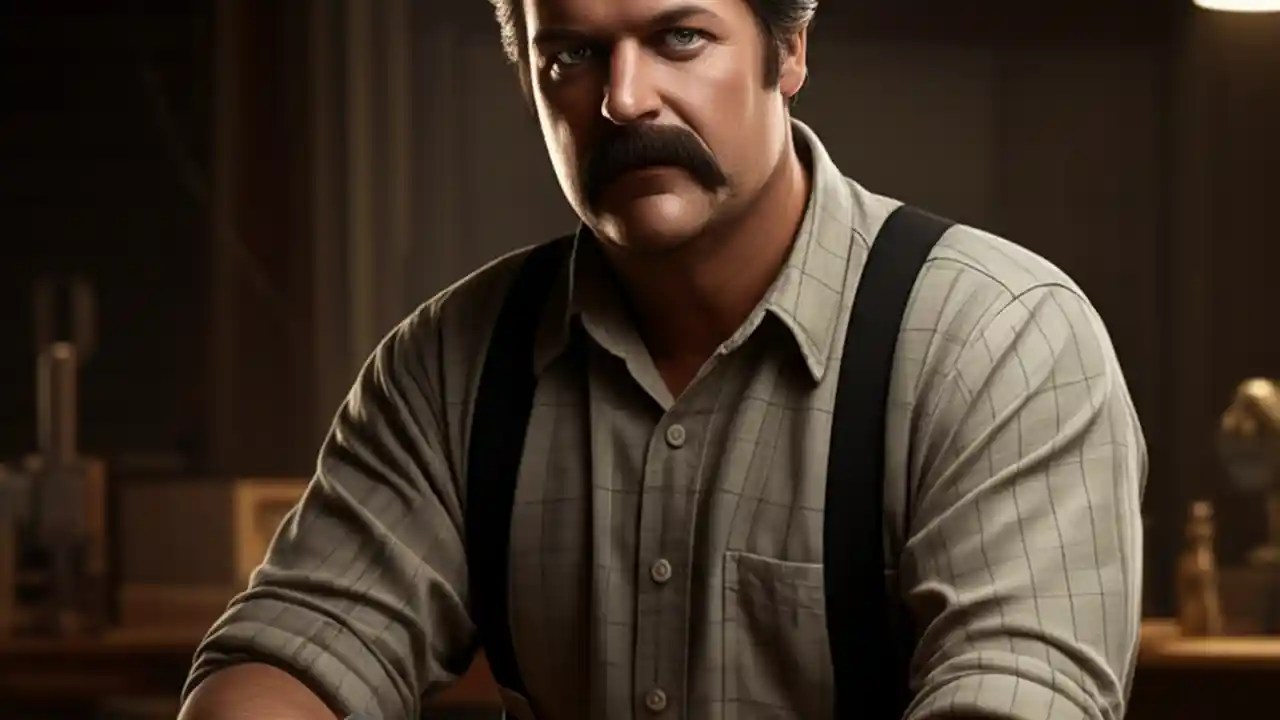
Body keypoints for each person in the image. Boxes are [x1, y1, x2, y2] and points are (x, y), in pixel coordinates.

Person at [177, 0, 1147, 718]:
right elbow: (296, 652)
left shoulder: (999, 340)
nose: (623, 99)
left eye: (678, 37)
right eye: (572, 54)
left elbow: (1016, 699)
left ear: (788, 48)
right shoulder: (451, 364)